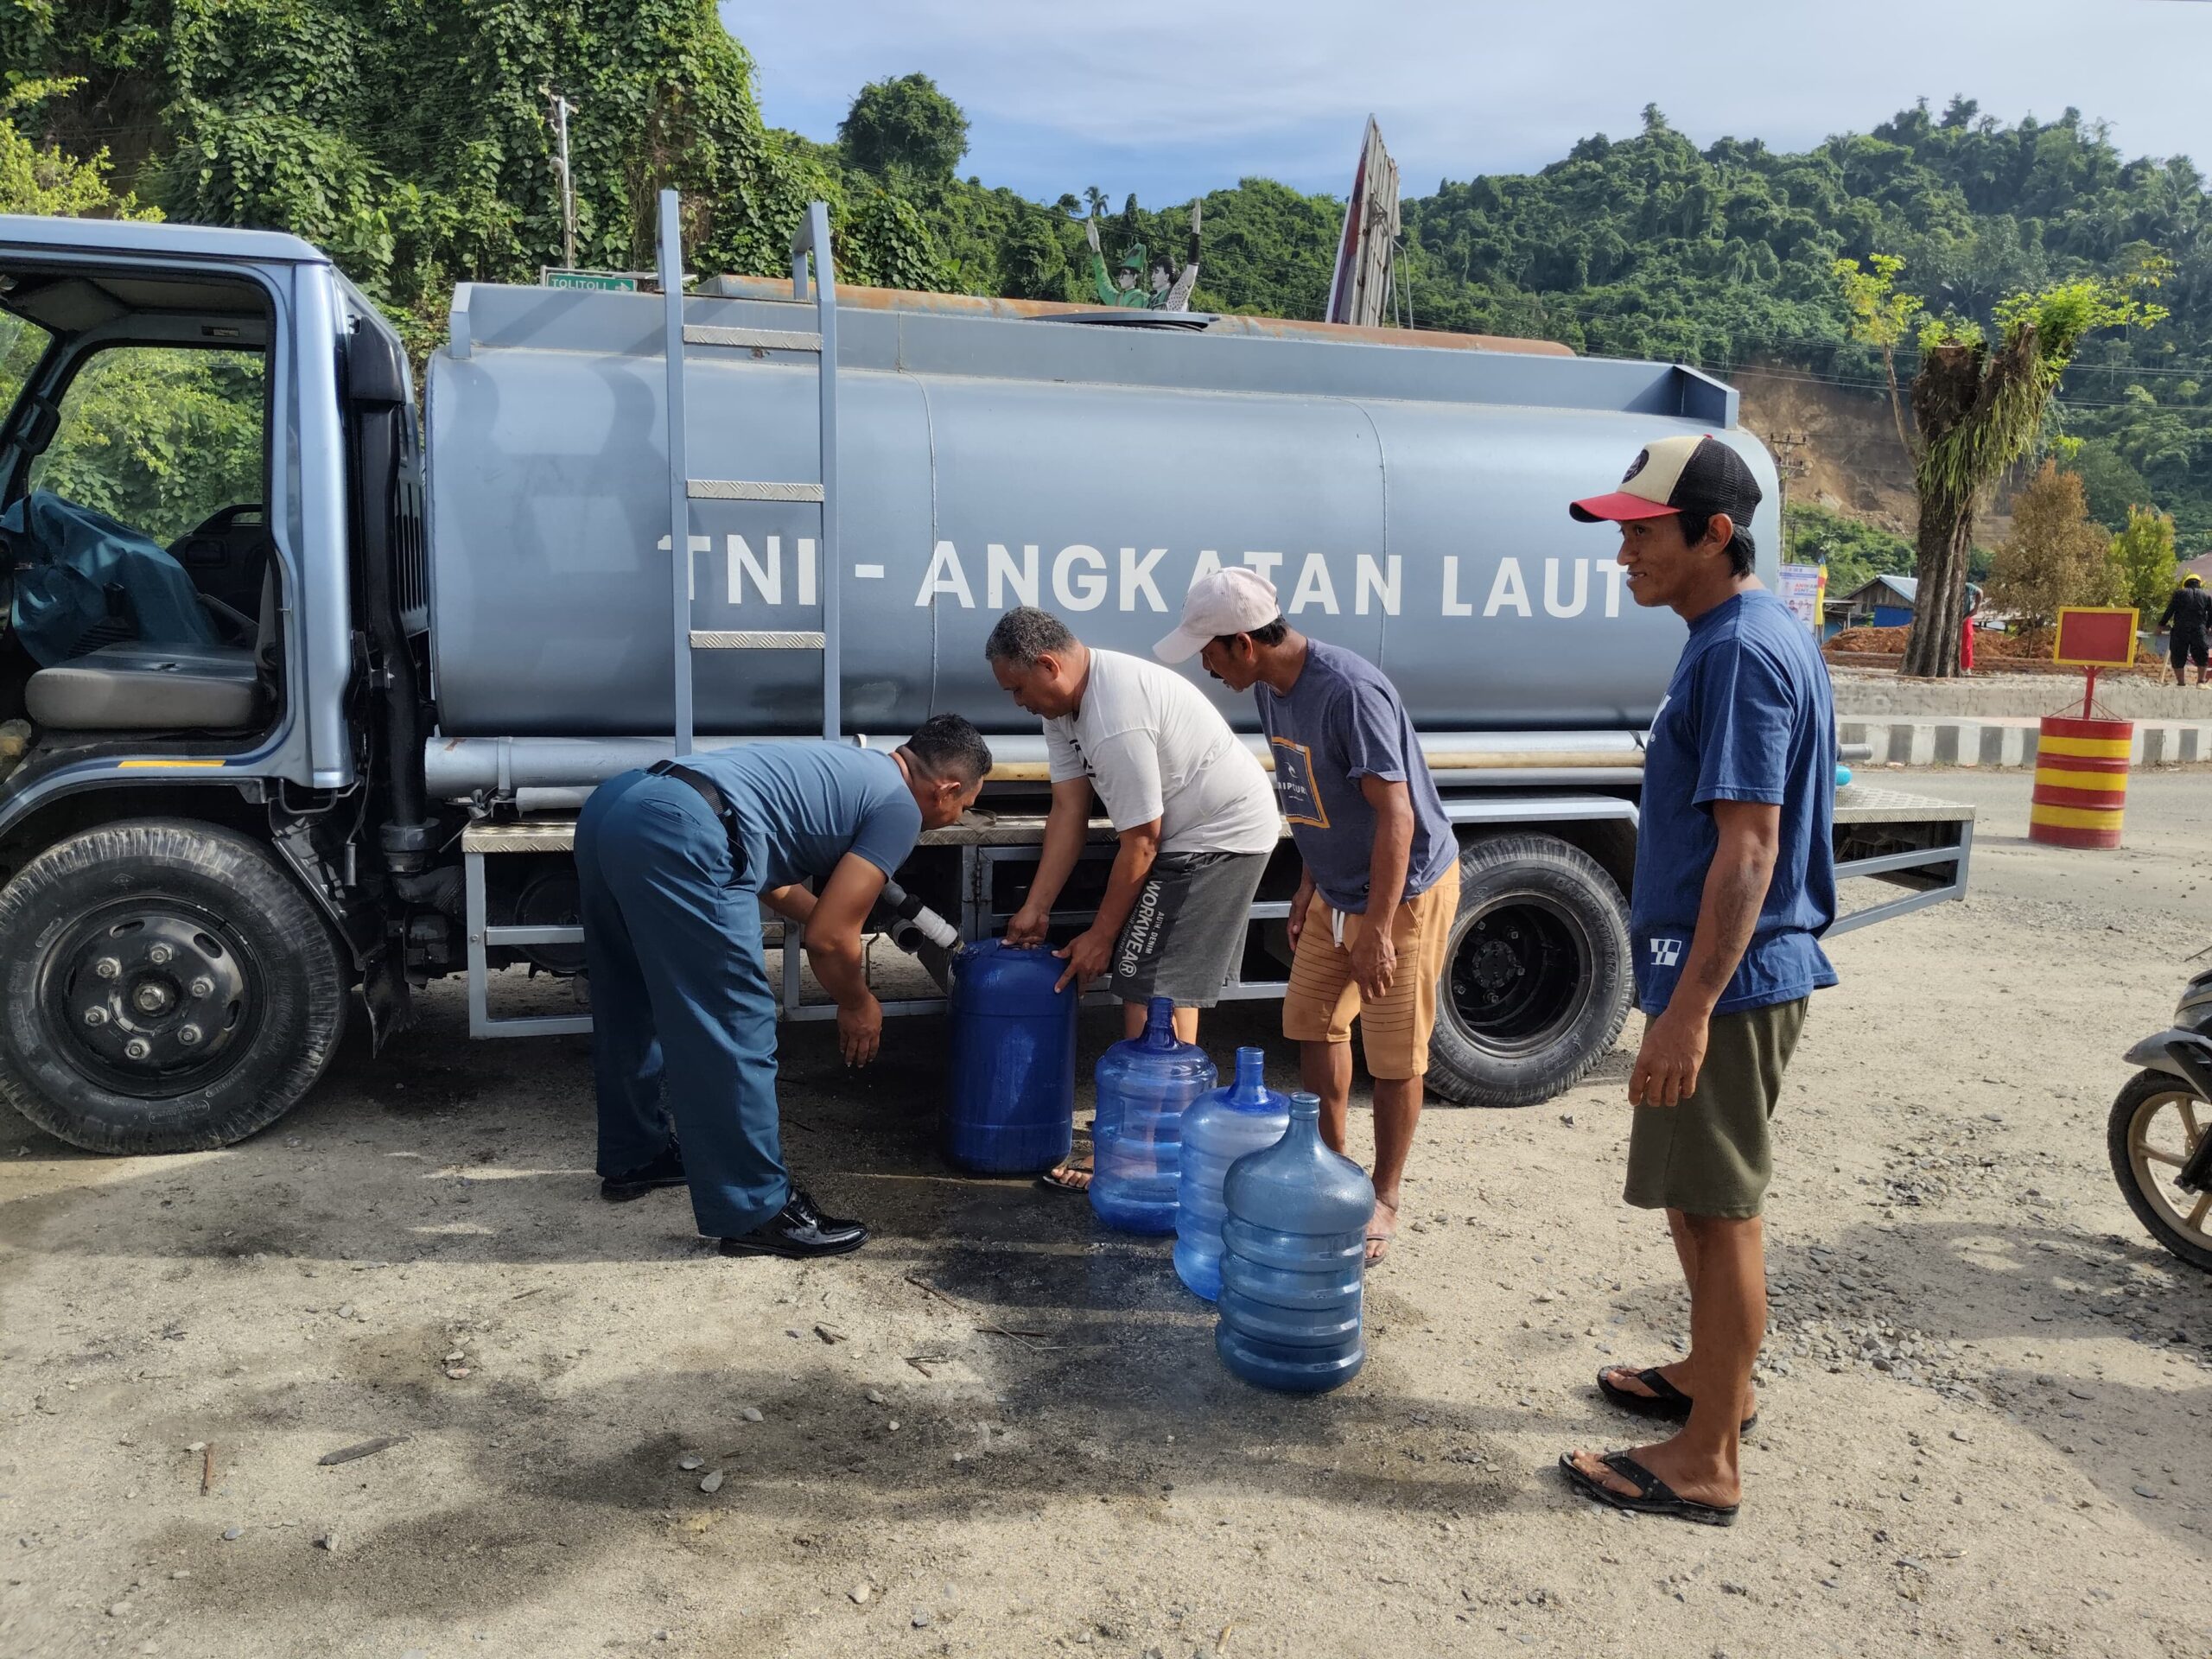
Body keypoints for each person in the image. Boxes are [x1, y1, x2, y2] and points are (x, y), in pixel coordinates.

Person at [1554, 434, 1836, 1526]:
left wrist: (1688, 1011)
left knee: (1719, 1213)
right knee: (1693, 1198)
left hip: (1730, 981)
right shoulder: (1741, 633)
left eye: (1642, 531)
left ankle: (1708, 1455)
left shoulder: (1738, 651)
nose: (1623, 550)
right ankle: (1713, 1379)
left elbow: (1750, 850)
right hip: (1717, 975)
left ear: (1714, 534)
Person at [575, 717, 992, 1259]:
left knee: (628, 998)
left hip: (620, 805)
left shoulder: (853, 768)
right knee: (734, 1022)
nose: (957, 818)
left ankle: (637, 1154)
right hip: (683, 829)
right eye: (965, 806)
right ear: (948, 788)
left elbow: (771, 872)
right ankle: (756, 1210)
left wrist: (833, 919)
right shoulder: (900, 809)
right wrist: (857, 1000)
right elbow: (828, 940)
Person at [1154, 569, 1460, 1265]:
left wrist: (1378, 927)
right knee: (1313, 1020)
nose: (1203, 664)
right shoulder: (1268, 689)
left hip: (1403, 891)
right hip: (1335, 887)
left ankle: (1383, 1196)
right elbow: (1309, 792)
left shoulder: (1347, 692)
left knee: (1394, 1056)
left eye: (1207, 649)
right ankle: (1331, 1166)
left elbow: (1397, 814)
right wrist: (1310, 883)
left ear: (1243, 643)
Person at [985, 607, 1279, 1192]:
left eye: (1019, 687)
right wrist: (1037, 906)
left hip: (1219, 835)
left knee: (1149, 983)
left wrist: (1101, 936)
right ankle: (1161, 1135)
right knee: (1159, 983)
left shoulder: (1113, 714)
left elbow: (1141, 841)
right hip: (1182, 833)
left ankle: (1144, 1147)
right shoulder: (1062, 706)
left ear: (1049, 665)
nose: (1018, 701)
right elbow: (1069, 809)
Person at [2159, 573, 2210, 687]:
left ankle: (2181, 683)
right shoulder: (2206, 596)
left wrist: (2161, 625)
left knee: (2178, 654)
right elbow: (2211, 614)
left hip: (2180, 629)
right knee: (2202, 654)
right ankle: (2201, 682)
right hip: (2199, 630)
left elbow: (2170, 610)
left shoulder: (2179, 594)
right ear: (2199, 584)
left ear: (2185, 584)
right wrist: (2207, 627)